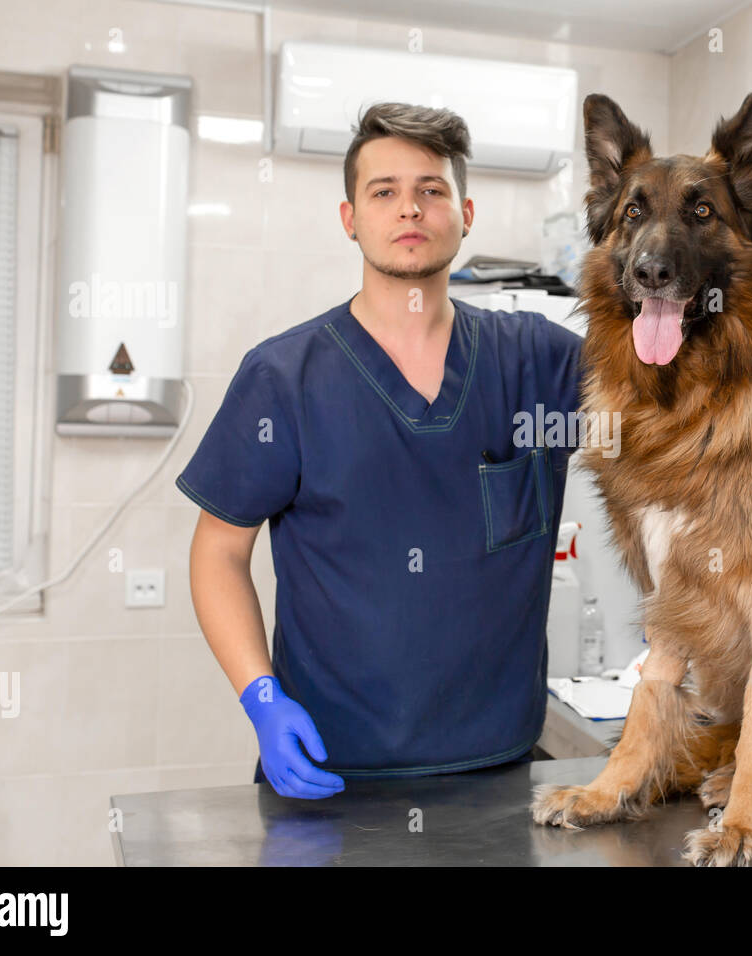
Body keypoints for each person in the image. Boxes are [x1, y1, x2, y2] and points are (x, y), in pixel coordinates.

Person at [176, 102, 583, 798]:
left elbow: (678, 413)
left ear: (466, 212)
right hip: (333, 772)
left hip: (502, 772)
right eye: (384, 192)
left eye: (432, 190)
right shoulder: (283, 379)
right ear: (350, 219)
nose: (410, 210)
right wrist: (262, 700)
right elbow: (218, 551)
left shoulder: (540, 362)